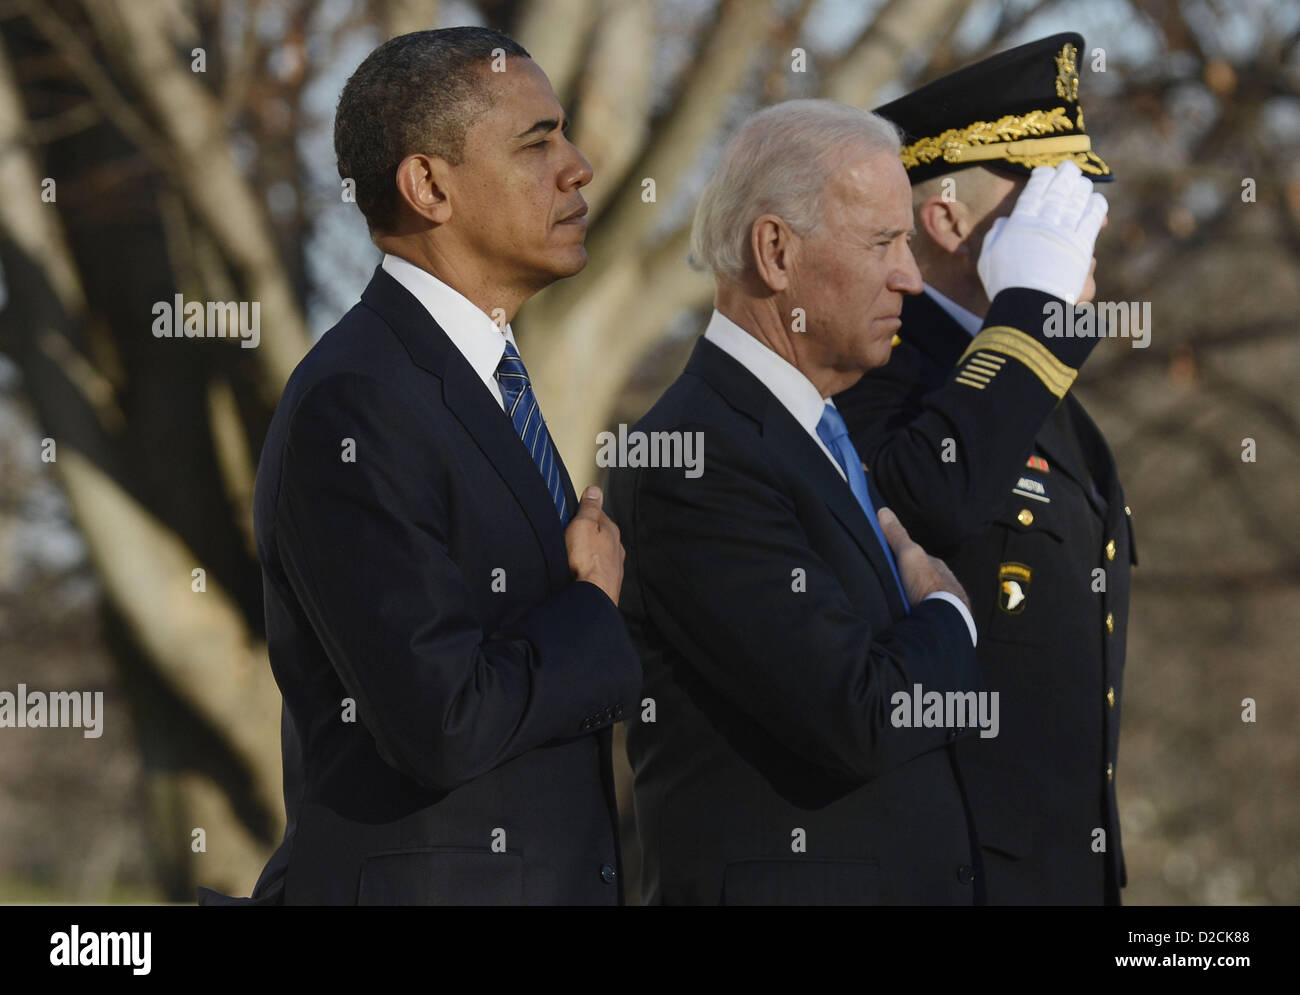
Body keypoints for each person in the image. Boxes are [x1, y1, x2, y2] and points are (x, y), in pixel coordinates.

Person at [608, 98, 1104, 905]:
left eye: (908, 241)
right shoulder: (698, 455)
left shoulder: (815, 428)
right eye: (882, 242)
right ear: (775, 250)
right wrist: (949, 616)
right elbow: (860, 716)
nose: (908, 274)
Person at [198, 27, 641, 906]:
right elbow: (443, 719)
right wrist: (592, 605)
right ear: (428, 185)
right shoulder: (356, 402)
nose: (579, 165)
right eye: (538, 139)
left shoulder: (475, 379)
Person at [834, 33, 1134, 904]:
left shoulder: (1052, 403)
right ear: (948, 219)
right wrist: (1032, 319)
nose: (1083, 220)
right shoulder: (869, 370)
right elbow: (920, 503)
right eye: (1046, 192)